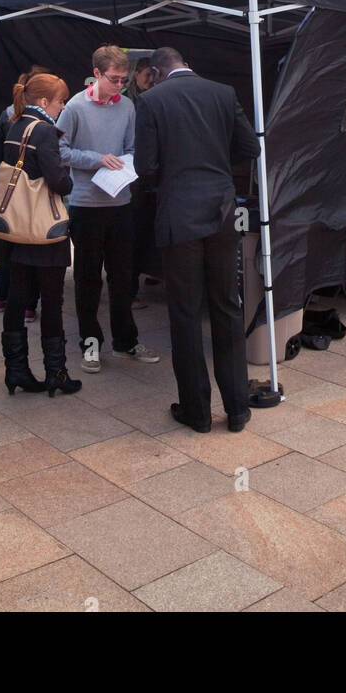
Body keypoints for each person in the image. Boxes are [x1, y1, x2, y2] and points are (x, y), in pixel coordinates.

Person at [133, 45, 260, 434]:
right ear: (188, 64)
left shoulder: (151, 101)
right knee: (227, 306)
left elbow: (145, 166)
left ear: (155, 72)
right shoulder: (222, 93)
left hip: (179, 217)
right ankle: (237, 408)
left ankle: (197, 412)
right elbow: (250, 148)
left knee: (185, 313)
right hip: (222, 213)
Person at [57, 45, 159, 373]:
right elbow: (59, 150)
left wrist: (129, 164)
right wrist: (96, 159)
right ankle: (90, 343)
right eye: (114, 79)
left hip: (121, 202)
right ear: (97, 74)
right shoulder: (74, 106)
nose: (119, 85)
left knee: (123, 277)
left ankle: (125, 341)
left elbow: (131, 147)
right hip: (86, 204)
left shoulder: (128, 106)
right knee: (88, 278)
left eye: (124, 79)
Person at [0, 73, 80, 397]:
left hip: (13, 227)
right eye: (61, 101)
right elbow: (59, 182)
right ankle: (56, 373)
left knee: (17, 299)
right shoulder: (45, 131)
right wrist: (69, 179)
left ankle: (16, 371)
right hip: (44, 230)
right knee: (52, 301)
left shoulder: (12, 124)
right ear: (45, 102)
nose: (63, 107)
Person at [0, 66, 48, 319]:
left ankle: (4, 299)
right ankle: (27, 306)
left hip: (8, 193)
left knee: (9, 249)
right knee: (32, 248)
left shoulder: (8, 115)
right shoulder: (41, 123)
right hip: (33, 195)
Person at [126, 56, 157, 310]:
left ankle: (153, 271)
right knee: (133, 234)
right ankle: (129, 290)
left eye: (153, 75)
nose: (150, 79)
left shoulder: (154, 96)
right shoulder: (127, 101)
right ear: (136, 74)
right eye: (146, 74)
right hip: (132, 177)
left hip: (151, 176)